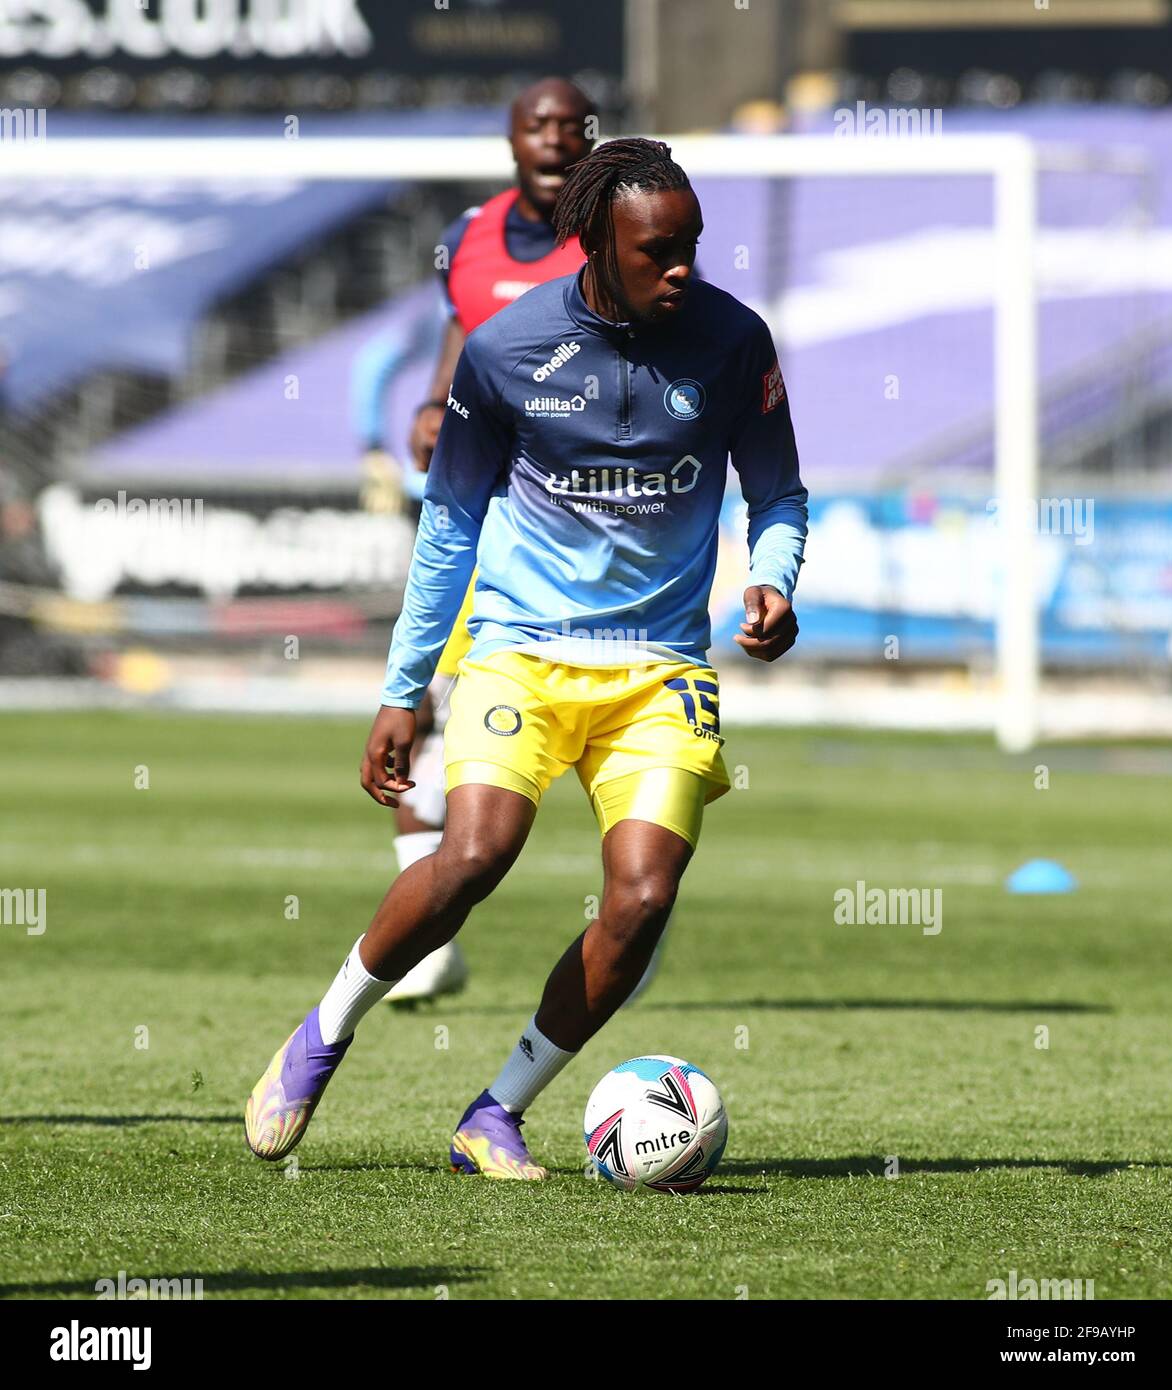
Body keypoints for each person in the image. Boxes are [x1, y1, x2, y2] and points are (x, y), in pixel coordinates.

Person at [245, 137, 808, 1180]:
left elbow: (777, 495)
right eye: (658, 249)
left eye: (690, 244)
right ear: (597, 241)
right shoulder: (505, 351)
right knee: (473, 857)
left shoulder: (735, 341)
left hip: (660, 670)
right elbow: (449, 525)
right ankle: (323, 1034)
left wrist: (775, 577)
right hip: (522, 654)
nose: (682, 265)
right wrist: (402, 690)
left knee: (641, 900)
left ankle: (493, 1112)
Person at [367, 76, 597, 1003]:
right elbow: (464, 330)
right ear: (510, 138)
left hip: (594, 523)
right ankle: (426, 944)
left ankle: (633, 911)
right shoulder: (467, 236)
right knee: (425, 703)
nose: (553, 138)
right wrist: (434, 402)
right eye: (536, 124)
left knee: (600, 725)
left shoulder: (620, 235)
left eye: (569, 124)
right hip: (485, 512)